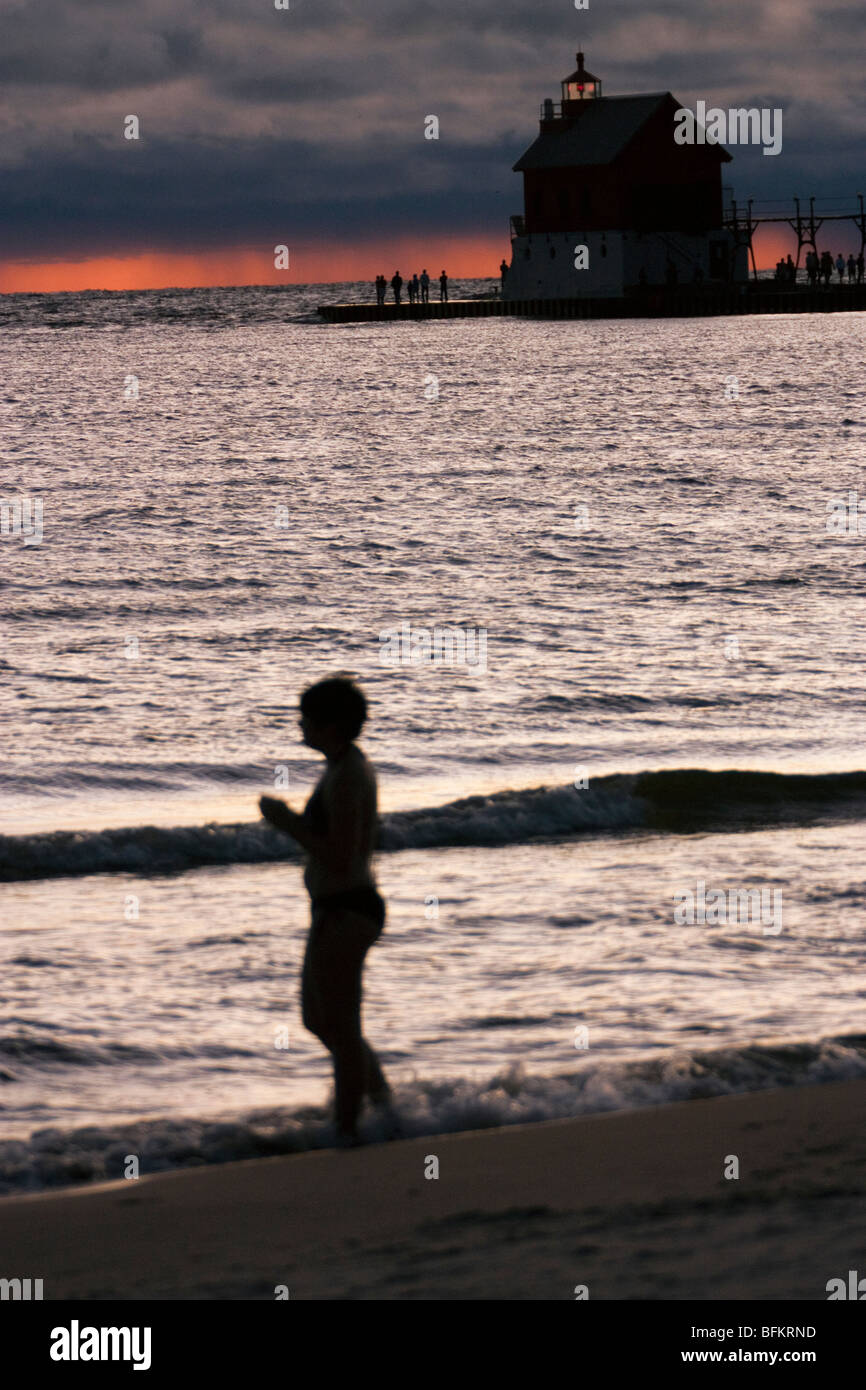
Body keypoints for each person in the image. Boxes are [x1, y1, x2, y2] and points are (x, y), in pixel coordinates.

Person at [259, 677, 394, 1148]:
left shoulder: (349, 775)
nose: (300, 724)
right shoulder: (342, 767)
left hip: (347, 908)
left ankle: (350, 1127)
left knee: (340, 1022)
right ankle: (382, 1107)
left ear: (330, 723)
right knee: (320, 1019)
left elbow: (338, 856)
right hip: (337, 907)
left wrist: (287, 824)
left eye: (307, 717)